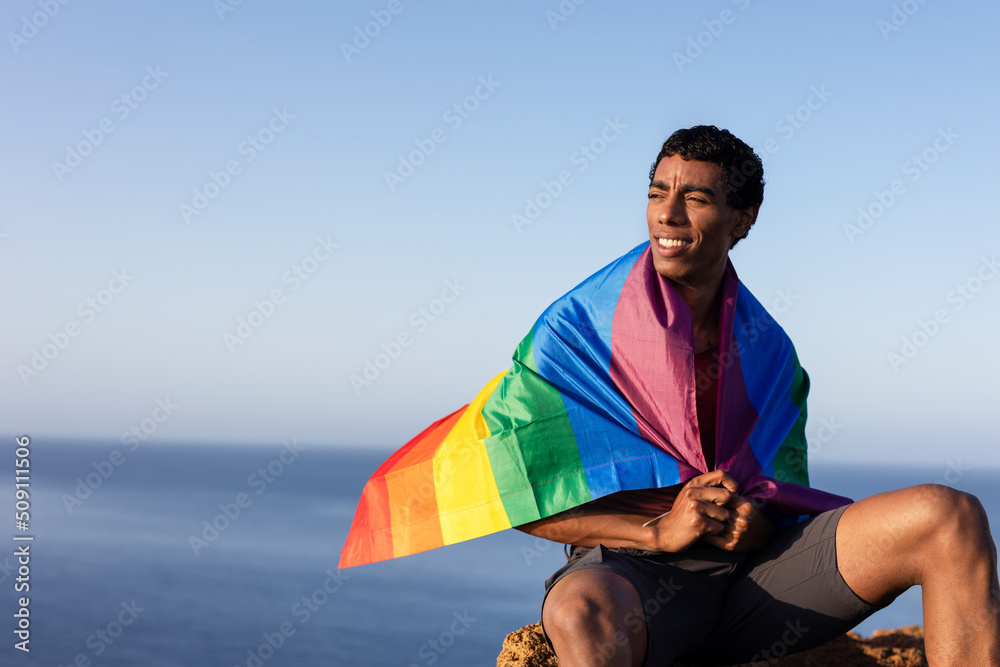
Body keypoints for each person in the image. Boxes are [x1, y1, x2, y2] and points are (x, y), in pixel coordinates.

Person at [517, 125, 1000, 666]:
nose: (667, 214)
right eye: (657, 193)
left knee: (950, 515)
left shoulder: (769, 349)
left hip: (758, 586)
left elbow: (786, 495)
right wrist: (659, 532)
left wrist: (760, 525)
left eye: (695, 198)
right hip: (634, 582)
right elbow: (507, 492)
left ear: (743, 219)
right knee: (580, 612)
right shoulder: (578, 328)